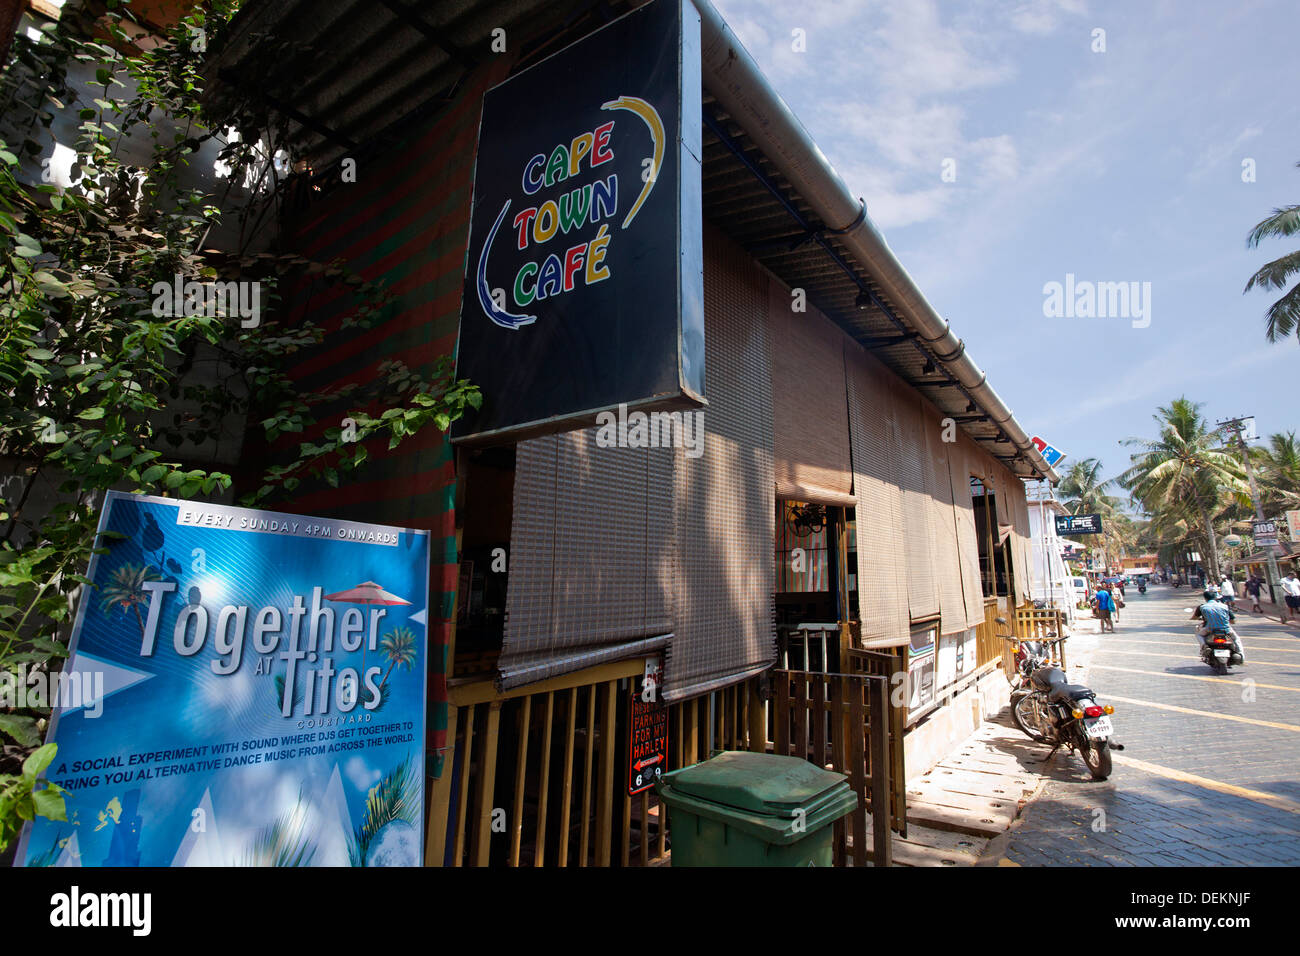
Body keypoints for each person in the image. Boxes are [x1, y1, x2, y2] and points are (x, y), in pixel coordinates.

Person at [1192, 588, 1245, 663]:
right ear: (1215, 597)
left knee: (1199, 635)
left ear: (1205, 598)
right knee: (1236, 639)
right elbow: (1233, 621)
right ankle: (1241, 657)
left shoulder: (1202, 607)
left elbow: (1194, 617)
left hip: (1210, 629)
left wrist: (1197, 618)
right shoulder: (1224, 606)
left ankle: (1204, 646)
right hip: (1226, 629)